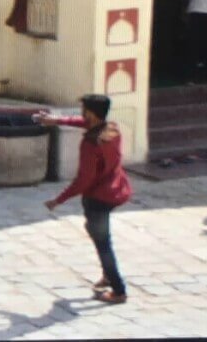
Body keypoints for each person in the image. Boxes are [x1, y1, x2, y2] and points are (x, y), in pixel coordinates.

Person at [35, 94, 133, 305]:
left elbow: (83, 181)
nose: (81, 114)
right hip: (117, 191)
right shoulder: (112, 129)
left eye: (83, 110)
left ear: (89, 112)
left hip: (98, 197)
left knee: (102, 242)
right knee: (95, 231)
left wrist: (58, 200)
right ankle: (108, 273)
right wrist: (55, 120)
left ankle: (118, 290)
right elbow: (84, 124)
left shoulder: (91, 144)